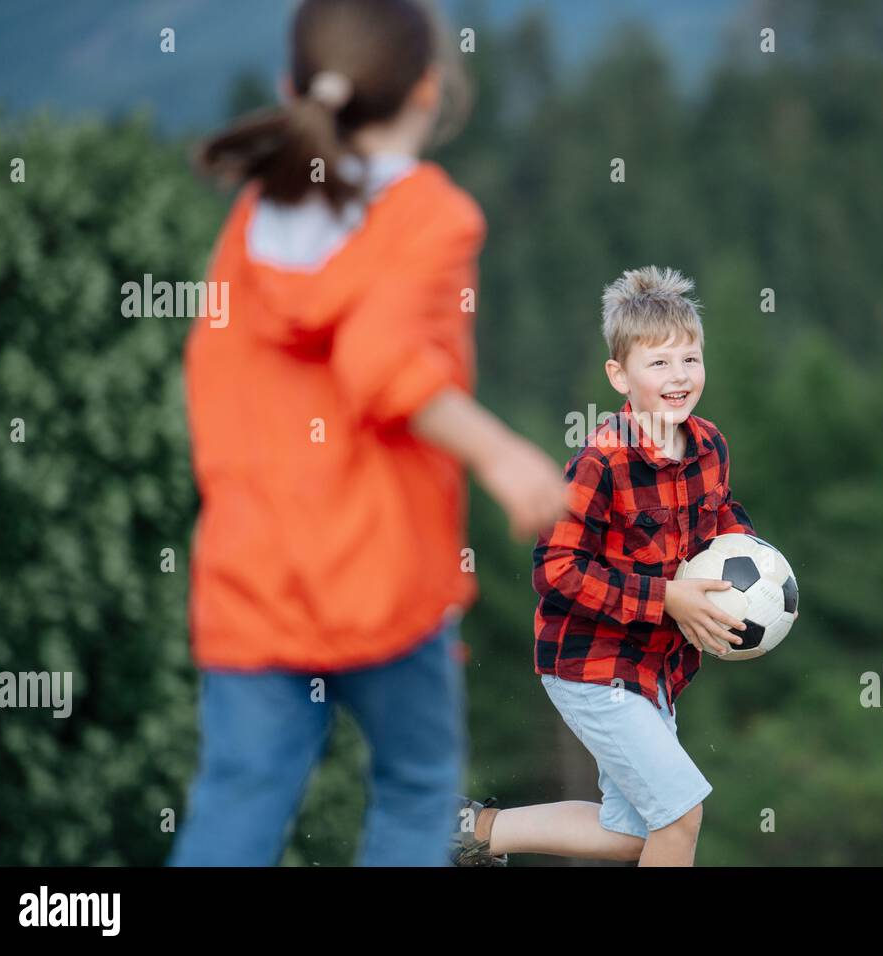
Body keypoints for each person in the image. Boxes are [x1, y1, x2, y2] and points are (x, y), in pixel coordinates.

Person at [169, 0, 566, 866]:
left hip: (252, 580)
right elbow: (380, 363)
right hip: (383, 579)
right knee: (419, 791)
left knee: (237, 803)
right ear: (428, 88)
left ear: (295, 88)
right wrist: (503, 455)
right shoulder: (428, 215)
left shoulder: (255, 217)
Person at [451, 267, 764, 867]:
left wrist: (747, 563)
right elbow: (557, 569)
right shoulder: (601, 462)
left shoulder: (709, 446)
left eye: (690, 360)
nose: (679, 377)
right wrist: (667, 598)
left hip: (655, 670)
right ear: (619, 375)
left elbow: (721, 515)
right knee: (680, 815)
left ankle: (475, 828)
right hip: (590, 664)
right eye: (660, 363)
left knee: (636, 834)